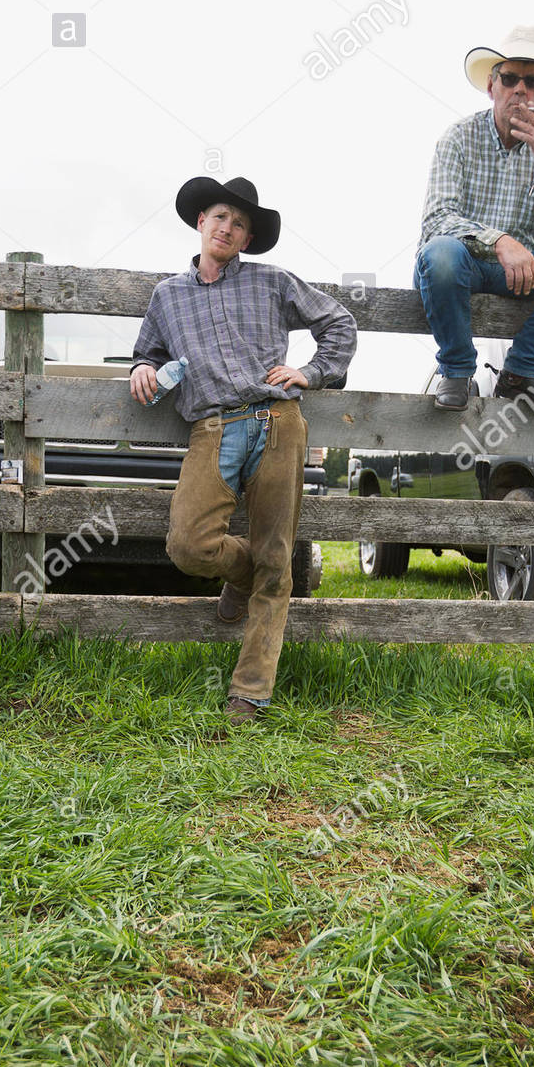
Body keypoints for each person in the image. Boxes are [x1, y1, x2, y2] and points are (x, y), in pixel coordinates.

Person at [130, 175, 356, 724]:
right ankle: (240, 573)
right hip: (211, 427)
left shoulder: (272, 282)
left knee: (278, 556)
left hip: (277, 419)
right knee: (189, 544)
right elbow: (148, 350)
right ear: (199, 222)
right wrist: (142, 368)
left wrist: (311, 371)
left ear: (248, 239)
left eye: (240, 224)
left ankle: (249, 692)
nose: (227, 228)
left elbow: (339, 322)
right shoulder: (168, 296)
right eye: (219, 217)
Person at [415, 25, 534, 411]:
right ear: (492, 86)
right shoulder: (458, 137)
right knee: (439, 253)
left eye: (532, 80)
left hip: (520, 274)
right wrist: (500, 241)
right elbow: (437, 221)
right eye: (509, 78)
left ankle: (522, 372)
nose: (520, 89)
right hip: (461, 264)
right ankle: (456, 371)